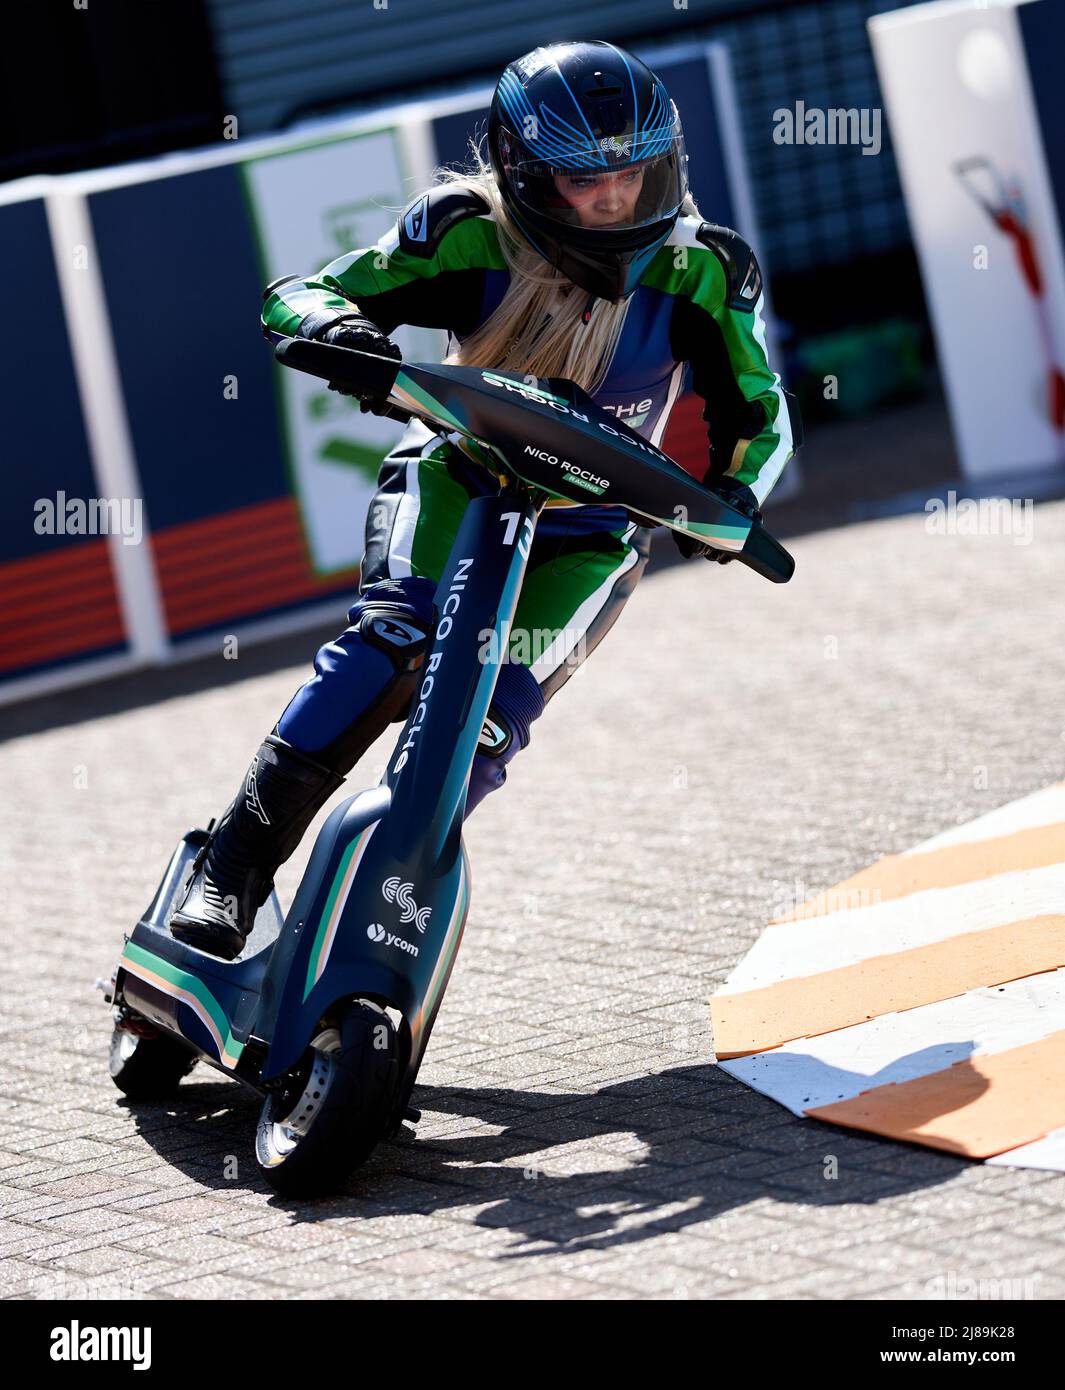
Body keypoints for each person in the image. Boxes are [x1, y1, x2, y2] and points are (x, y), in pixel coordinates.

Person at [169, 39, 802, 961]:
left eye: (634, 171)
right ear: (525, 170)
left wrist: (734, 496)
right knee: (390, 647)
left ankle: (375, 907)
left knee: (487, 716)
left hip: (595, 528)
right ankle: (227, 870)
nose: (615, 198)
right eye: (586, 180)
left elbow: (761, 408)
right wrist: (341, 334)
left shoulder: (703, 266)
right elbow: (305, 294)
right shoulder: (466, 227)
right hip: (456, 476)